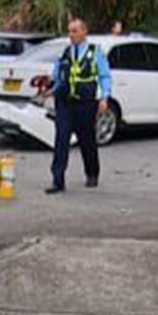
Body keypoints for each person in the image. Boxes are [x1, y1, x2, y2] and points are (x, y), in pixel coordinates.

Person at [41, 17, 112, 194]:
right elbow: (58, 76)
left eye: (74, 31)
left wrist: (104, 97)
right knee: (61, 141)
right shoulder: (65, 53)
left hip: (85, 104)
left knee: (87, 140)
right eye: (69, 31)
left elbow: (104, 76)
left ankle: (92, 173)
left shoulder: (95, 52)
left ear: (83, 32)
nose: (70, 35)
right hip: (65, 103)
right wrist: (52, 90)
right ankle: (58, 180)